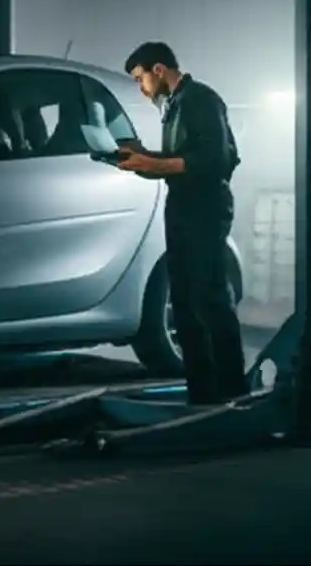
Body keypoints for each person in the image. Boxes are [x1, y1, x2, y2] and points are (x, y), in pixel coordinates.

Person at [116, 42, 248, 405]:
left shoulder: (201, 100)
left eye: (140, 78)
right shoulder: (173, 106)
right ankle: (203, 394)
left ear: (158, 70)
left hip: (205, 209)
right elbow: (178, 160)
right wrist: (141, 160)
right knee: (187, 302)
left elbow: (213, 159)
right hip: (182, 208)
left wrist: (152, 164)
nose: (141, 88)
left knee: (210, 298)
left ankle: (231, 391)